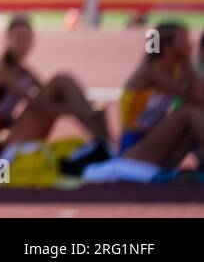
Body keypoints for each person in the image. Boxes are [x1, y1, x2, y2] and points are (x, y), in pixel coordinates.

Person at [83, 22, 204, 183]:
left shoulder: (177, 69)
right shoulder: (149, 71)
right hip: (135, 147)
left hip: (158, 144)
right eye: (183, 40)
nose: (190, 44)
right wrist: (188, 59)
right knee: (188, 113)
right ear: (168, 45)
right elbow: (193, 96)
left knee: (192, 112)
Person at [0, 15, 111, 156]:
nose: (23, 44)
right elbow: (37, 103)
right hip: (0, 141)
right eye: (18, 39)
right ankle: (104, 138)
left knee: (62, 80)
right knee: (65, 90)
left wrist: (82, 106)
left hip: (14, 130)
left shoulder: (24, 71)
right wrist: (78, 110)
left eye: (27, 39)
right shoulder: (0, 69)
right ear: (7, 39)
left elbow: (51, 92)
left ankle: (105, 141)